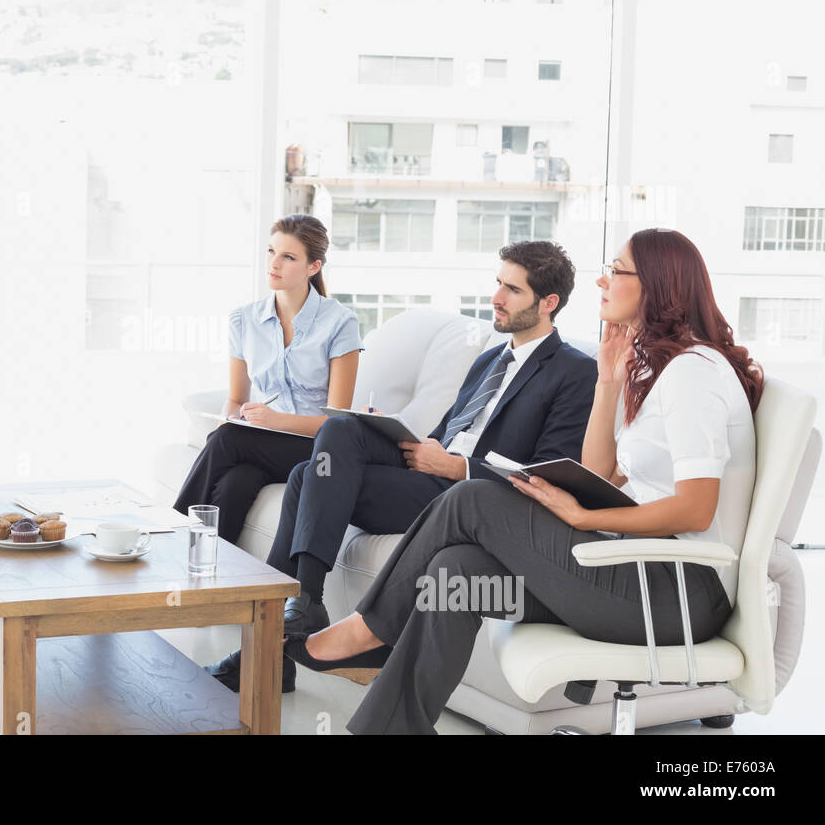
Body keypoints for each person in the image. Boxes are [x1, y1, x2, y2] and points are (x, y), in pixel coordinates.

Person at [286, 228, 759, 734]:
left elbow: (695, 510)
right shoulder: (654, 371)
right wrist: (607, 382)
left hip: (669, 596)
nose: (603, 279)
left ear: (658, 287)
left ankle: (366, 630)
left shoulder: (693, 372)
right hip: (625, 572)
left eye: (617, 271)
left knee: (471, 498)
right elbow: (598, 471)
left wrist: (583, 516)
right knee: (455, 574)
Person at [205, 239, 597, 693]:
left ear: (548, 303)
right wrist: (406, 439)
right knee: (338, 433)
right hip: (430, 471)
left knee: (303, 475)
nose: (496, 297)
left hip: (468, 498)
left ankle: (281, 635)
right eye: (497, 284)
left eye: (512, 289)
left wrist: (457, 468)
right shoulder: (490, 359)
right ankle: (304, 604)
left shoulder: (574, 372)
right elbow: (450, 431)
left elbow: (544, 478)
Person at [172, 214, 361, 545]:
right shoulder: (244, 320)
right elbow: (236, 397)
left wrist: (274, 420)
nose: (274, 264)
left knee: (228, 440)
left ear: (313, 267)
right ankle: (215, 589)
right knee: (235, 485)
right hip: (261, 446)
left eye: (288, 257)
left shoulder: (340, 323)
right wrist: (230, 419)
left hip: (319, 450)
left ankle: (167, 537)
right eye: (271, 251)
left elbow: (338, 424)